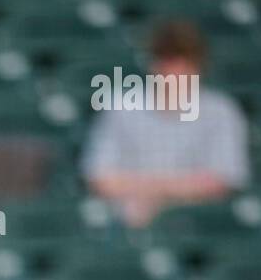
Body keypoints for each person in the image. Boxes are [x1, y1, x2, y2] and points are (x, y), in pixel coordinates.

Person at [82, 20, 250, 227]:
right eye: (167, 62)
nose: (175, 74)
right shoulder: (122, 106)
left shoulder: (221, 110)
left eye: (184, 64)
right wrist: (174, 189)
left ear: (198, 67)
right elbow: (100, 178)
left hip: (199, 223)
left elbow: (223, 180)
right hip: (129, 222)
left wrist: (154, 196)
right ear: (154, 64)